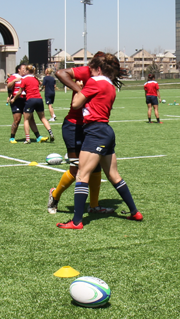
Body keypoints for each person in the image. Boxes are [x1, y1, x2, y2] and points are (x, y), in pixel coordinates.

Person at [56, 53, 142, 229]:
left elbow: (76, 104)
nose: (90, 72)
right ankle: (135, 212)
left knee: (82, 174)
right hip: (106, 132)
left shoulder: (94, 82)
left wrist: (80, 87)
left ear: (99, 69)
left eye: (92, 69)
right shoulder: (110, 85)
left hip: (94, 132)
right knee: (114, 176)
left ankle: (77, 221)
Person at [48, 54, 109, 216]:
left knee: (96, 167)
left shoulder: (103, 78)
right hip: (74, 126)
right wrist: (80, 90)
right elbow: (60, 73)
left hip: (92, 128)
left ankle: (94, 206)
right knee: (76, 169)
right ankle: (54, 196)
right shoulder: (87, 71)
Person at [20, 64, 53, 144]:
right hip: (39, 99)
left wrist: (14, 98)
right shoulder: (35, 79)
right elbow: (39, 85)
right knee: (43, 118)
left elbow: (20, 91)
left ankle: (27, 139)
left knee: (26, 119)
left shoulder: (25, 79)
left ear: (27, 71)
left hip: (30, 100)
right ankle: (50, 132)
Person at [6, 66, 25, 143]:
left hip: (26, 99)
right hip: (16, 100)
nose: (25, 70)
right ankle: (12, 137)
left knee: (30, 119)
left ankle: (38, 136)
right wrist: (14, 81)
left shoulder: (26, 77)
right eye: (23, 68)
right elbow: (9, 86)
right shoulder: (14, 76)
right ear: (19, 69)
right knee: (17, 119)